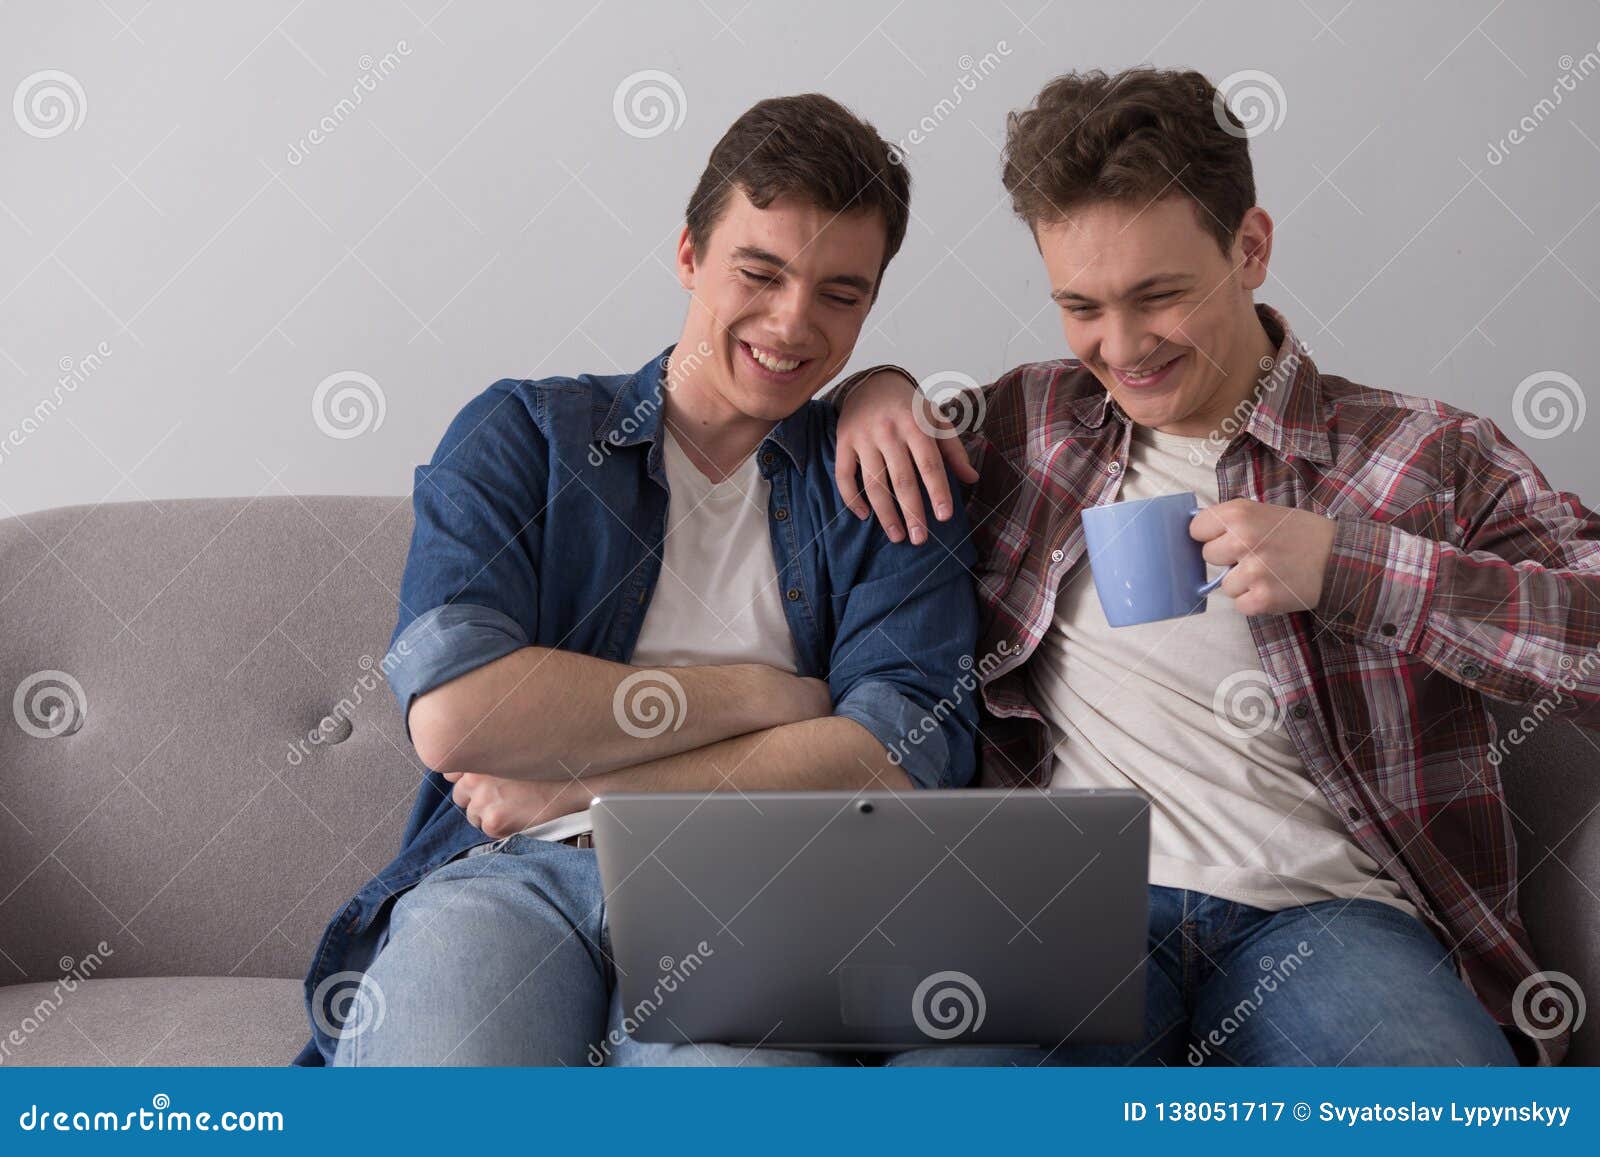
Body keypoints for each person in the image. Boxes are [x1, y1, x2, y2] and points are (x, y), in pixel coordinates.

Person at [830, 66, 1600, 1066]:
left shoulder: (1425, 454)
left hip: (1333, 919)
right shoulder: (1029, 422)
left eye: (1158, 296)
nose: (1121, 346)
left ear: (1250, 248)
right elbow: (827, 466)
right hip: (1071, 911)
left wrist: (1350, 566)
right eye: (1080, 305)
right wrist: (871, 388)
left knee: (1449, 1113)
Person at [292, 93, 982, 1067]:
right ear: (689, 256)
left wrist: (594, 789)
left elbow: (895, 754)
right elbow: (455, 711)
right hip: (508, 871)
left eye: (840, 292)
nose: (793, 323)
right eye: (761, 271)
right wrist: (767, 697)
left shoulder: (880, 473)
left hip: (758, 885)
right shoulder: (526, 435)